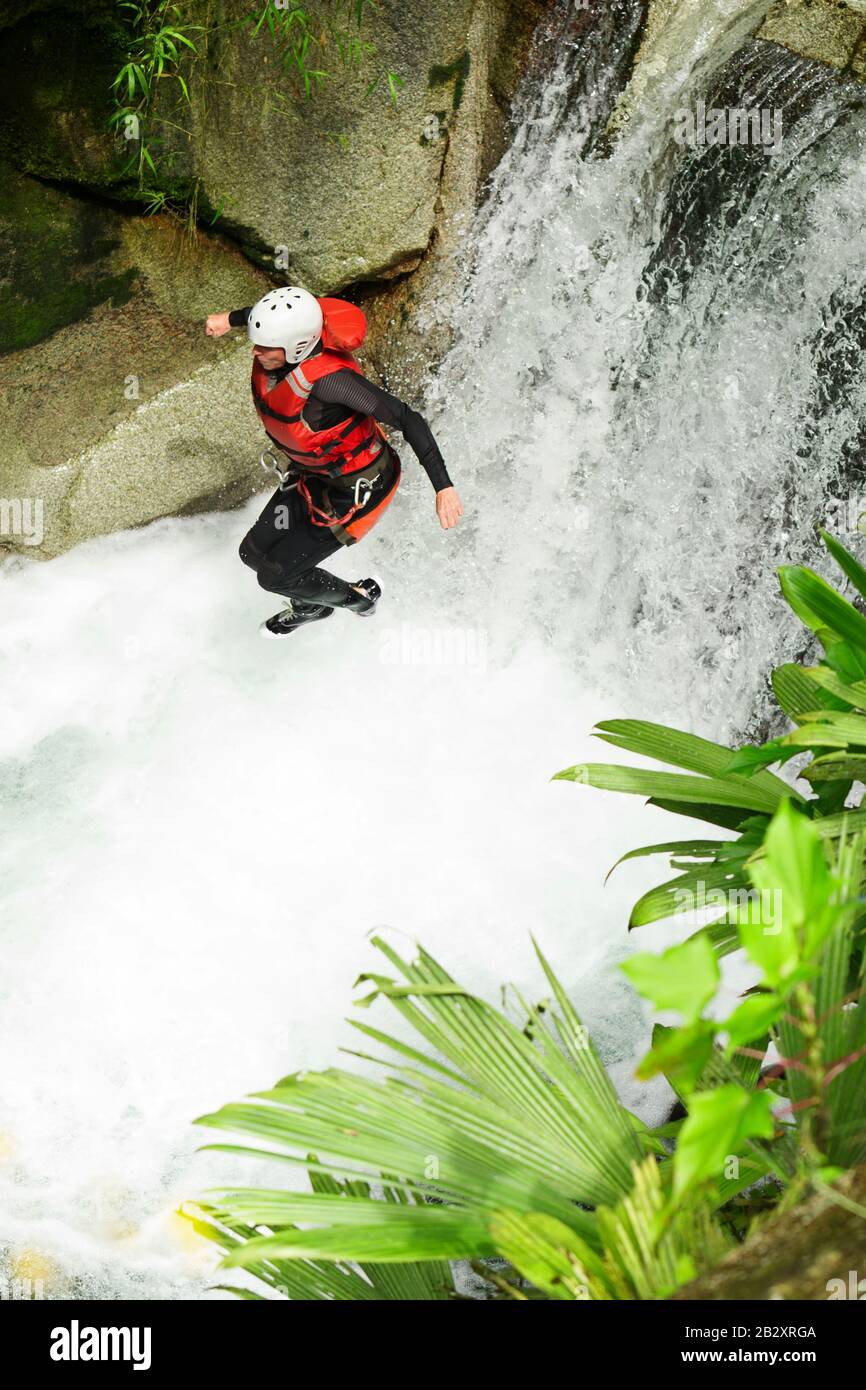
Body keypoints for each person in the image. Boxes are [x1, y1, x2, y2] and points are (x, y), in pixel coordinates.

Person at [205, 287, 463, 637]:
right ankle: (311, 605)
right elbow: (264, 314)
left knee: (275, 576)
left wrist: (443, 486)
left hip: (358, 490)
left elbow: (408, 418)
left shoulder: (331, 382)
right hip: (313, 475)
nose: (256, 351)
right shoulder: (288, 335)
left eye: (265, 347)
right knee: (251, 553)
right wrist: (229, 320)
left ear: (296, 347)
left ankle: (362, 599)